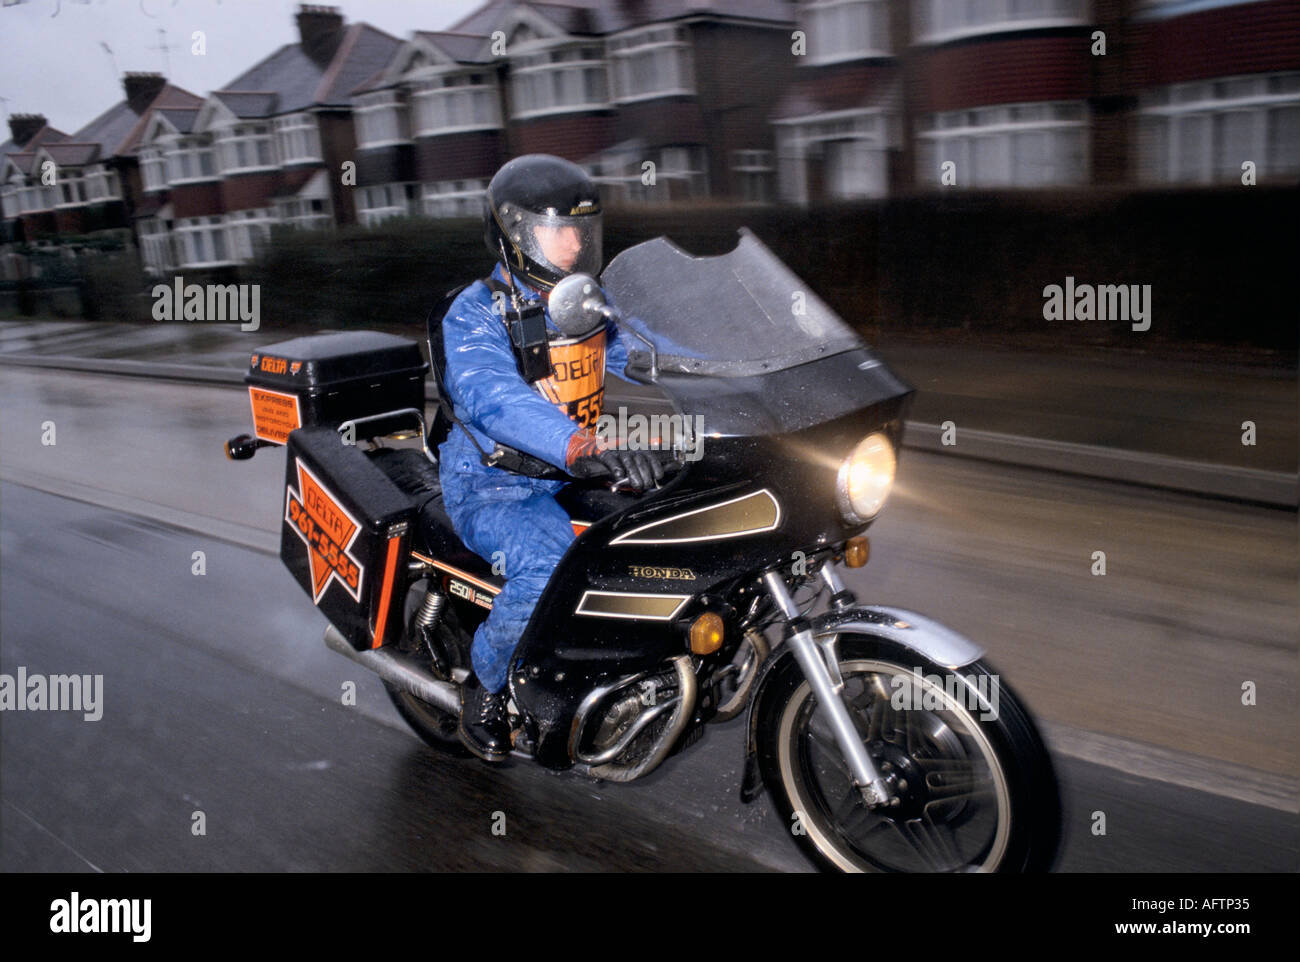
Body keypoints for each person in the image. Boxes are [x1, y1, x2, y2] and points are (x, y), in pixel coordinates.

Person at [438, 154, 664, 762]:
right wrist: (583, 446)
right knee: (547, 566)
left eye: (582, 230)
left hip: (572, 468)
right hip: (492, 483)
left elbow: (648, 353)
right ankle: (482, 690)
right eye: (554, 228)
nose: (571, 243)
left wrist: (733, 375)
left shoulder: (585, 302)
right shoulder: (478, 312)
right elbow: (492, 396)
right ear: (513, 232)